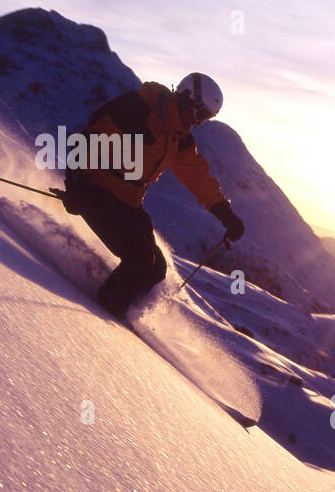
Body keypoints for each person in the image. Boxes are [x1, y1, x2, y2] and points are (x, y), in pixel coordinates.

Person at [60, 73, 246, 318]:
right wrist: (75, 184)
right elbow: (89, 139)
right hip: (96, 191)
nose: (200, 123)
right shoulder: (137, 110)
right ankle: (106, 311)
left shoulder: (178, 138)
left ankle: (123, 306)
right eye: (201, 115)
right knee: (139, 259)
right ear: (187, 99)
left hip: (128, 203)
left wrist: (225, 213)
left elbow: (197, 176)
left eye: (207, 118)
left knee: (156, 269)